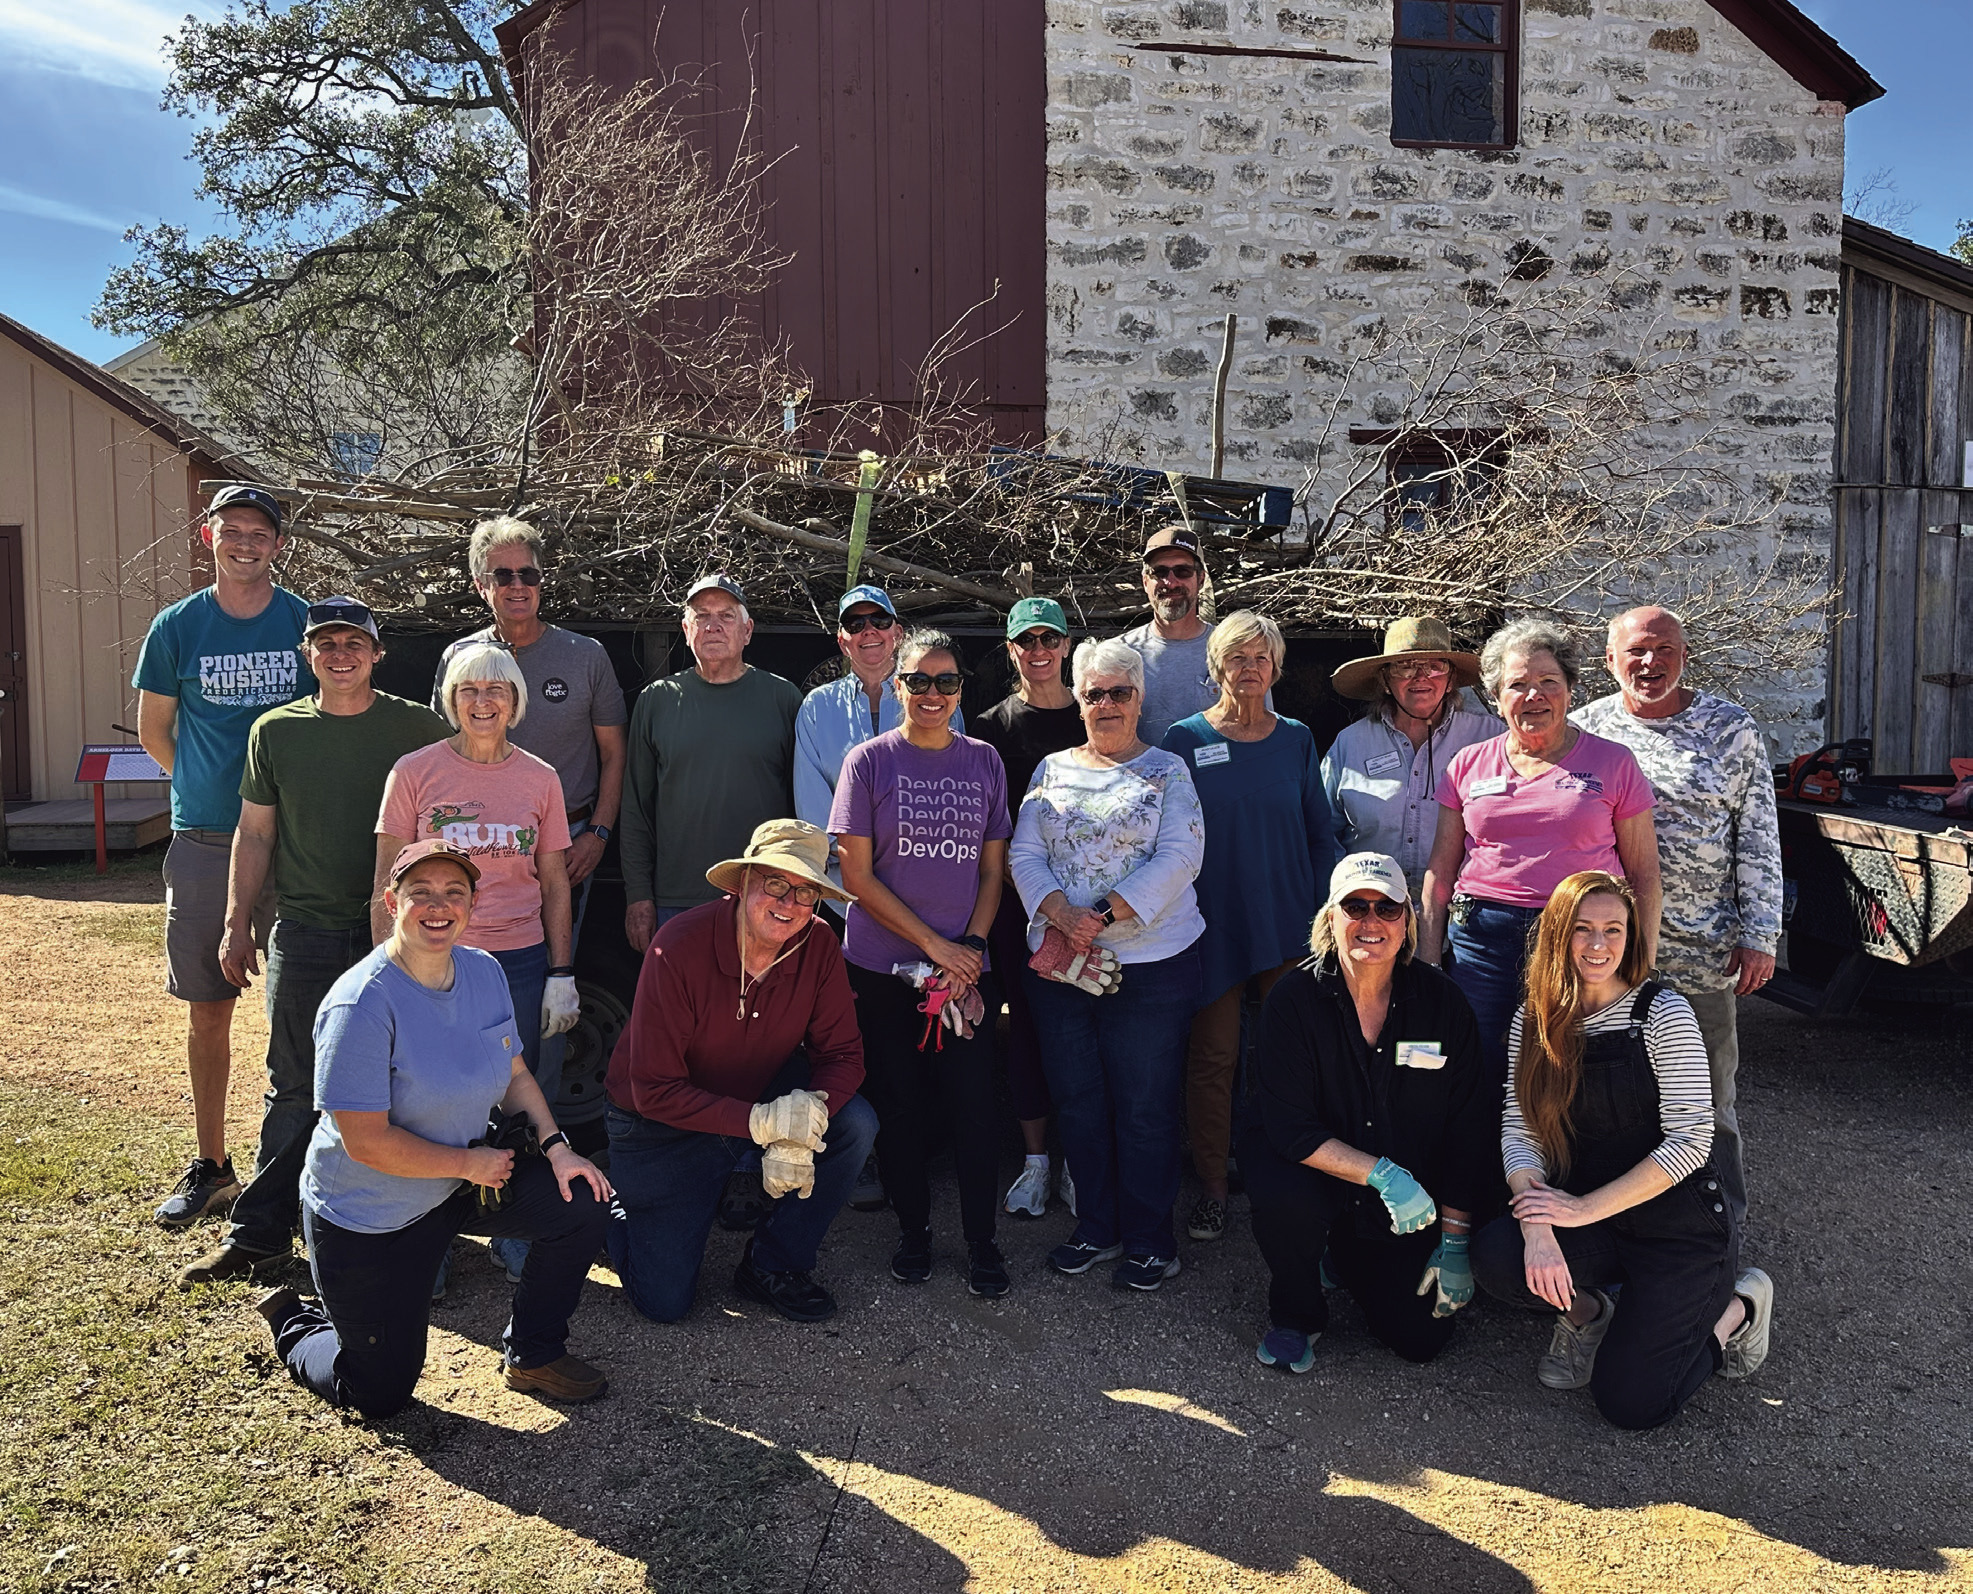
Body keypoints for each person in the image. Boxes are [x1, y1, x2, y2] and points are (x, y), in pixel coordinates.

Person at [253, 839, 613, 1418]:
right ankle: (297, 1322)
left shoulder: (484, 971)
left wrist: (558, 1147)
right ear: (391, 901)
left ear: (473, 905)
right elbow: (365, 1142)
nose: (437, 906)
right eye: (420, 893)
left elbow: (515, 1072)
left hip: (462, 1187)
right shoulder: (360, 1004)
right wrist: (470, 1165)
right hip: (372, 1214)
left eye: (454, 892)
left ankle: (534, 1354)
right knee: (378, 1392)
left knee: (582, 1202)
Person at [180, 598, 448, 1285]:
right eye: (325, 643)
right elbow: (257, 832)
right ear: (308, 655)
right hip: (301, 928)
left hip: (393, 934)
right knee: (294, 1087)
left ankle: (406, 1238)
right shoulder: (276, 731)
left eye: (353, 642)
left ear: (376, 653)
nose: (340, 654)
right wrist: (237, 921)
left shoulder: (417, 728)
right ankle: (259, 1235)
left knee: (400, 1086)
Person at [1471, 871, 1774, 1430]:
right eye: (1582, 929)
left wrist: (1581, 1210)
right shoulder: (1532, 1020)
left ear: (1632, 936)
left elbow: (1690, 1141)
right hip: (1596, 1223)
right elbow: (1521, 1131)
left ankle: (1736, 1308)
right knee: (1499, 1257)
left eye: (1614, 929)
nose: (1597, 945)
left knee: (1632, 1405)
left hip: (1677, 1230)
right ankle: (1590, 1315)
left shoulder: (1664, 1013)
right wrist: (1538, 1228)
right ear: (1557, 936)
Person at [603, 821, 878, 1324]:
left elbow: (843, 1056)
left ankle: (772, 1264)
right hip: (660, 1122)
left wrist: (803, 1123)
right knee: (664, 1303)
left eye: (805, 890)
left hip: (753, 1093)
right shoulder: (677, 945)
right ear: (743, 881)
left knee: (855, 1123)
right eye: (776, 882)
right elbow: (653, 1091)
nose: (790, 901)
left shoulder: (817, 943)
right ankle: (610, 1202)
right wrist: (765, 1124)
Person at [135, 483, 314, 1228]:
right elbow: (155, 731)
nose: (246, 541)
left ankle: (301, 1168)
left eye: (259, 531)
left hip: (298, 844)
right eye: (231, 529)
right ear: (207, 538)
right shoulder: (177, 627)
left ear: (278, 544)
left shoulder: (305, 622)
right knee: (210, 1008)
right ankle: (212, 1165)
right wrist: (207, 792)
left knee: (302, 1012)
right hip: (207, 839)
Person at [1240, 853, 1491, 1373]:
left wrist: (1455, 1237)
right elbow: (1289, 1126)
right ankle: (1296, 1314)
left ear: (1408, 922)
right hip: (1320, 1172)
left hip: (1410, 1195)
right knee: (1284, 1198)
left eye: (1388, 908)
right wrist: (1381, 1174)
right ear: (1330, 917)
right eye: (1356, 906)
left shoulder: (1443, 1003)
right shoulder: (1292, 1001)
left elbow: (1470, 1124)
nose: (1371, 922)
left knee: (1420, 1339)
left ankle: (1348, 1259)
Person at [1574, 606, 1781, 1227]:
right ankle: (1614, 1225)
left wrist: (1760, 933)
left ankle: (1721, 1231)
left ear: (1684, 654)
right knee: (1606, 1096)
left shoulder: (1730, 729)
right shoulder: (1585, 731)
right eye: (1635, 651)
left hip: (1700, 951)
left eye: (1664, 648)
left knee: (1708, 1100)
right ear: (1609, 662)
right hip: (1605, 956)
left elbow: (1759, 836)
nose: (1649, 661)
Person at [379, 642, 575, 1293]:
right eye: (468, 689)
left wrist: (561, 971)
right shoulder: (415, 771)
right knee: (427, 1099)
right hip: (432, 961)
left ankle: (512, 1231)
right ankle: (428, 1241)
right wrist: (385, 973)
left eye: (496, 689)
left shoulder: (540, 778)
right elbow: (386, 877)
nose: (483, 701)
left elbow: (554, 882)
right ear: (450, 700)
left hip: (516, 961)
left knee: (511, 1103)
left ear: (515, 700)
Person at [1010, 636, 1205, 1291]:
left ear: (1139, 699)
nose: (1107, 704)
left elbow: (1180, 855)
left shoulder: (1168, 771)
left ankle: (1150, 1241)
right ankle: (1097, 1227)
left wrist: (1101, 913)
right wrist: (1061, 914)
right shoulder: (1050, 770)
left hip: (1150, 966)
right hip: (1065, 968)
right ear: (1080, 701)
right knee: (1079, 1103)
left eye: (1119, 692)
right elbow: (1023, 853)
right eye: (1094, 693)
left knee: (1144, 1109)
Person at [832, 631, 1012, 1295]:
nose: (931, 694)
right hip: (882, 971)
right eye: (918, 681)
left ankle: (982, 1242)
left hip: (964, 973)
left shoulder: (984, 761)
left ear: (962, 690)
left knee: (972, 1109)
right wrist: (936, 947)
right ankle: (913, 1235)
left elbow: (992, 869)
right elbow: (856, 876)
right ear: (897, 686)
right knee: (899, 1108)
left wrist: (969, 948)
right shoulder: (868, 762)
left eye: (945, 682)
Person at [1419, 618, 1661, 1089]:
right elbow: (1440, 872)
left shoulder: (1613, 763)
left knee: (1571, 1070)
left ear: (1570, 689)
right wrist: (1429, 964)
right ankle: (1489, 1163)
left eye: (1548, 681)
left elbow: (1645, 876)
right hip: (1482, 943)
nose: (1534, 695)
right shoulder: (1467, 765)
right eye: (1518, 685)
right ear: (1496, 697)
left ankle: (1556, 1166)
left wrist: (1640, 967)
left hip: (1579, 936)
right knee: (1479, 1065)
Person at [432, 516, 629, 1095]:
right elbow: (447, 756)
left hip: (567, 848)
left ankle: (537, 1126)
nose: (517, 586)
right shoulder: (460, 660)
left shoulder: (583, 656)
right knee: (466, 980)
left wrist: (598, 831)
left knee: (549, 982)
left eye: (529, 574)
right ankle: (468, 1116)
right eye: (502, 575)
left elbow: (614, 754)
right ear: (480, 583)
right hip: (478, 848)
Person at [1164, 611, 1339, 1243]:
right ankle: (1212, 1186)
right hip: (1211, 926)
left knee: (1294, 1058)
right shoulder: (1182, 740)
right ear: (1215, 666)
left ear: (1277, 669)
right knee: (1213, 1059)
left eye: (1261, 658)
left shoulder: (1295, 738)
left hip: (1289, 922)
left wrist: (1324, 916)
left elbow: (1321, 833)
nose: (1249, 669)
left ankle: (1298, 1177)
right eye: (1237, 658)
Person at [793, 582, 961, 1216]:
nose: (868, 632)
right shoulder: (816, 708)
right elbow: (814, 814)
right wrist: (852, 887)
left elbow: (949, 802)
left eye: (879, 621)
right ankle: (862, 1162)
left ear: (897, 632)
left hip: (922, 913)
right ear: (842, 638)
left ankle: (914, 1161)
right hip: (845, 905)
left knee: (923, 1040)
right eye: (854, 623)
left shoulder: (933, 697)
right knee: (856, 1039)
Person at [971, 597, 1084, 1219]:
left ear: (1065, 645)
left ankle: (1078, 1157)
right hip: (1018, 906)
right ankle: (1037, 1159)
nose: (1038, 651)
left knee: (1082, 1028)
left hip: (1091, 905)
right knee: (1027, 1029)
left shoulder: (1095, 714)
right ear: (1011, 650)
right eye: (1025, 641)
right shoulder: (991, 726)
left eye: (1049, 639)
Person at [621, 575, 802, 954]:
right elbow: (636, 807)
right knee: (680, 1013)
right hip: (676, 900)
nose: (713, 625)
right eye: (701, 616)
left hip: (764, 898)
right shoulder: (657, 701)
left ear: (748, 630)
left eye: (727, 616)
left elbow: (801, 809)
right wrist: (638, 895)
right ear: (687, 630)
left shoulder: (783, 699)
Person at [1322, 617, 1501, 896]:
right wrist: (1345, 892)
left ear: (1451, 679)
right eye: (1404, 666)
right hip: (1371, 911)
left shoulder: (1490, 739)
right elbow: (1321, 832)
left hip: (1460, 913)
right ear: (1384, 680)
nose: (1420, 676)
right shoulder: (1350, 743)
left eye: (1435, 666)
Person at [1119, 525, 1268, 748]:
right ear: (1145, 581)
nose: (1171, 582)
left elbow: (1262, 730)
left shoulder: (1234, 649)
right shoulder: (1120, 655)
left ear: (1200, 579)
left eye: (1182, 571)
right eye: (1159, 572)